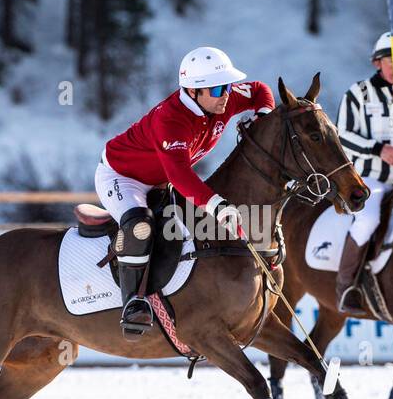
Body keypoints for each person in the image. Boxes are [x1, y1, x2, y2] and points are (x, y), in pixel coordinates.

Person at [96, 47, 275, 340]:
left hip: (161, 180)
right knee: (141, 227)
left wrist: (263, 115)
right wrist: (217, 204)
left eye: (227, 86)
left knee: (188, 227)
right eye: (218, 89)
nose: (226, 95)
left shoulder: (221, 100)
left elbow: (258, 90)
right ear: (192, 92)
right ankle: (133, 303)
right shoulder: (170, 119)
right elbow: (180, 176)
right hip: (122, 177)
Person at [334, 31, 393, 314]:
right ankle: (346, 286)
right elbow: (341, 136)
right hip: (369, 178)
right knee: (368, 218)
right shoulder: (358, 94)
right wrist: (378, 149)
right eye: (391, 61)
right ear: (377, 63)